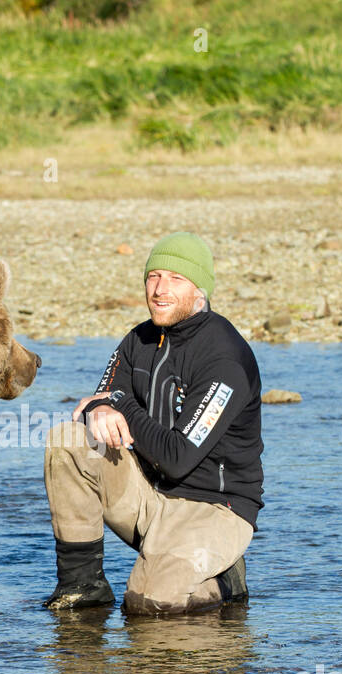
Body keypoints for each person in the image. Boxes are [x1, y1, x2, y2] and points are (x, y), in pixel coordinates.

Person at [43, 232, 264, 613]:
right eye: (153, 277)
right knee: (69, 439)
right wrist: (103, 408)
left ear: (200, 290)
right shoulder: (139, 339)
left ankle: (225, 579)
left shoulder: (224, 359)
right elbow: (93, 406)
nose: (160, 290)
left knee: (148, 604)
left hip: (214, 509)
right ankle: (83, 588)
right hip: (151, 498)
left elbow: (177, 456)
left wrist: (117, 404)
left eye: (175, 279)